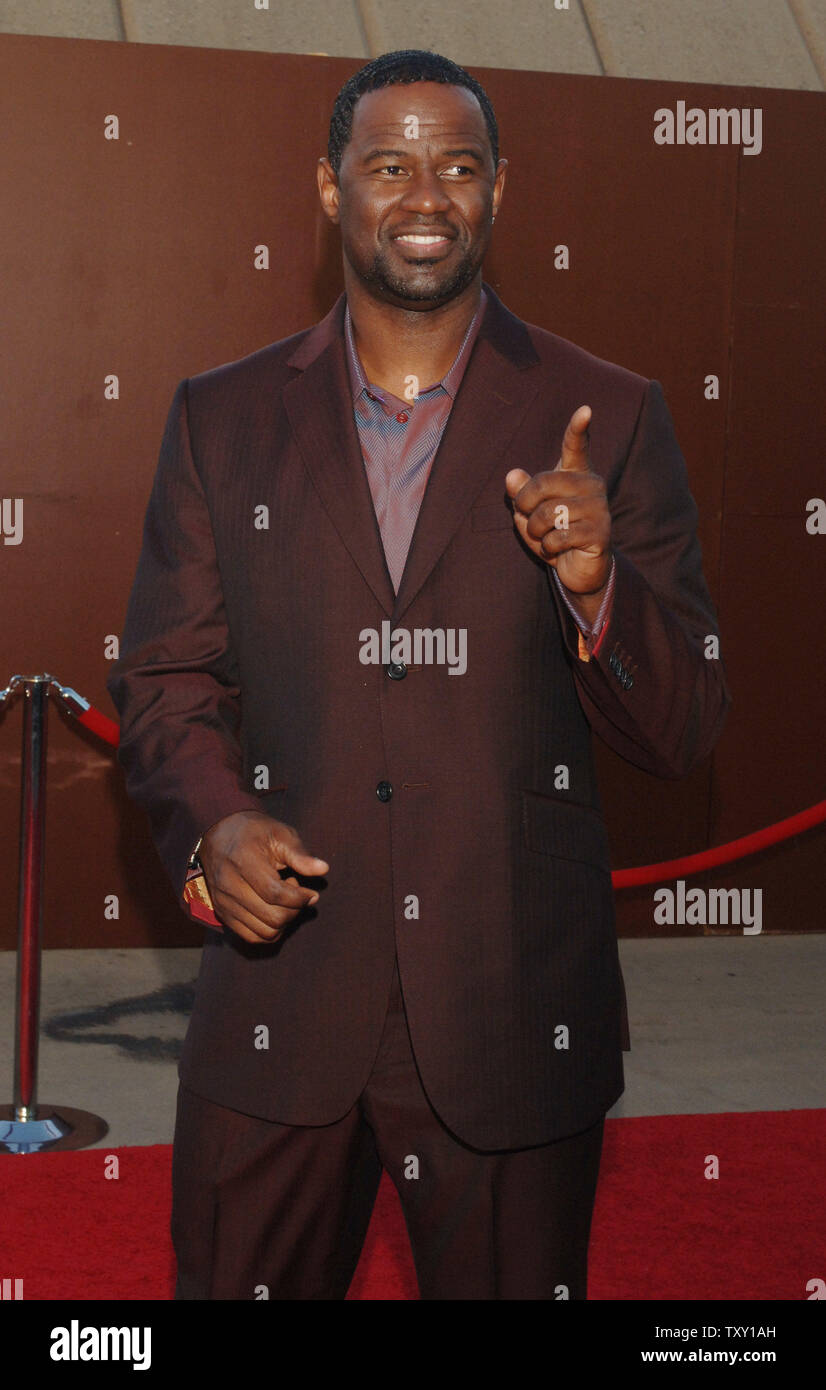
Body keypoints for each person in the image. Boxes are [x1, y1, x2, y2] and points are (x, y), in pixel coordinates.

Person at [107, 49, 730, 1301]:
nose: (426, 195)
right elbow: (168, 676)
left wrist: (597, 585)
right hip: (280, 1004)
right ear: (330, 189)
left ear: (500, 187)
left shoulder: (607, 415)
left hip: (512, 1005)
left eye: (458, 165)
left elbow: (683, 728)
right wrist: (214, 825)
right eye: (389, 165)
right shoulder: (220, 417)